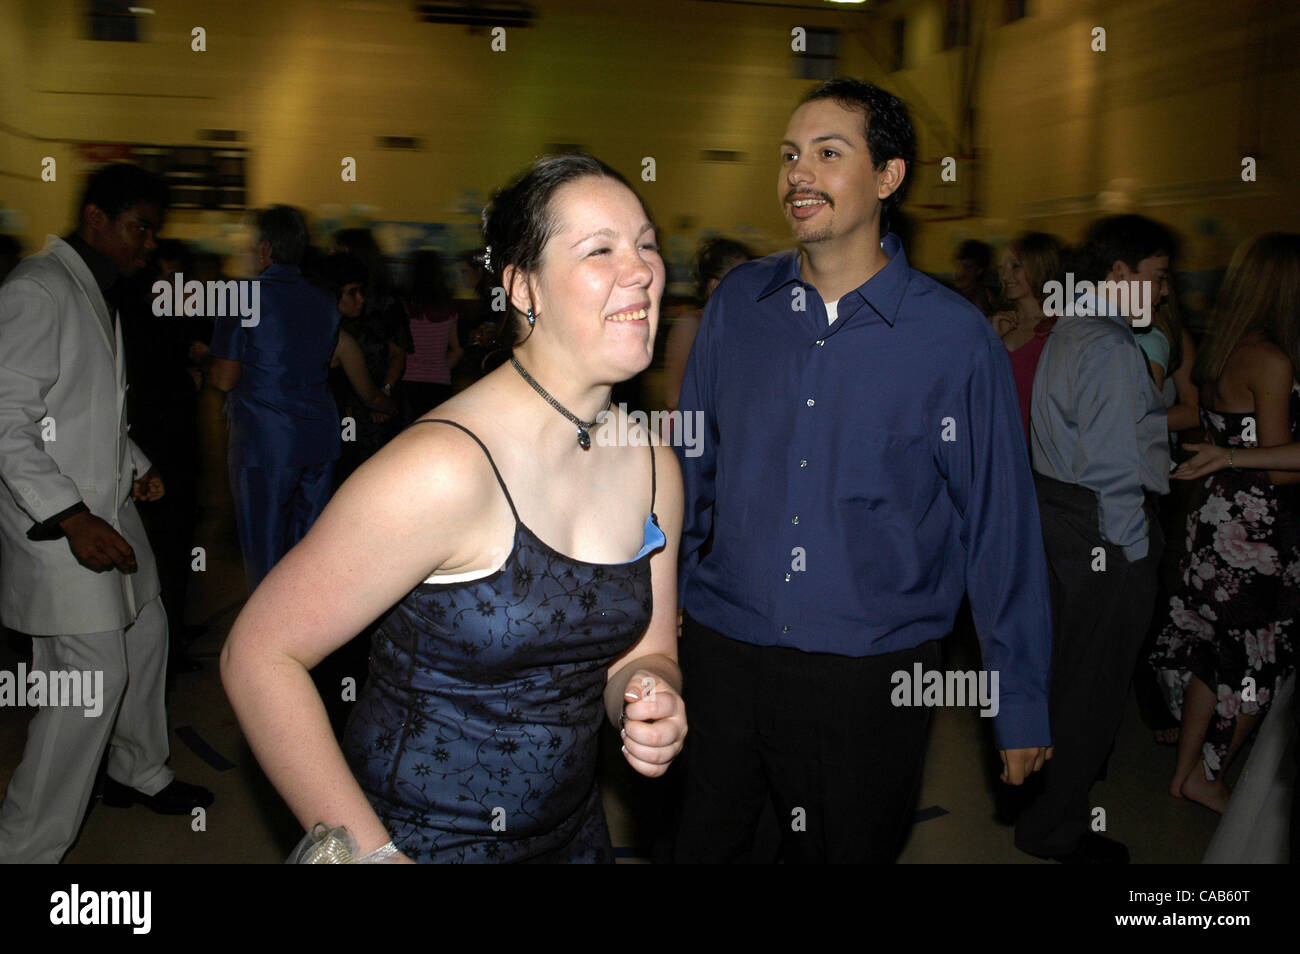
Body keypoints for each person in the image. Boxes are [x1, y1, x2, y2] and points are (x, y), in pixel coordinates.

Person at [220, 154, 688, 863]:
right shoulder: (442, 468)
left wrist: (651, 693)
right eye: (601, 250)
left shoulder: (655, 465)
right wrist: (370, 857)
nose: (643, 270)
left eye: (647, 244)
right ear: (523, 287)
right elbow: (259, 655)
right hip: (416, 842)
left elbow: (648, 648)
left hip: (572, 837)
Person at [673, 77, 1053, 864]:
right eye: (788, 155)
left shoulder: (953, 339)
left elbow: (998, 525)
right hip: (723, 652)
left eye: (827, 153)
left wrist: (1019, 700)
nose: (797, 174)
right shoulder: (741, 306)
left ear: (888, 177)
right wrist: (661, 612)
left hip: (869, 678)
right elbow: (690, 469)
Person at [0, 163, 212, 863]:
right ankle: (24, 849)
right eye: (139, 227)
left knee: (147, 630)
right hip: (60, 521)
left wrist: (137, 465)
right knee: (90, 680)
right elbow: (7, 420)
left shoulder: (91, 287)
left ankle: (138, 769)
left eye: (153, 229)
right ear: (95, 219)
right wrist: (70, 516)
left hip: (106, 502)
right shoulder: (37, 289)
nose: (149, 243)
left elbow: (84, 411)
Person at [1021, 214, 1174, 863]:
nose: (1164, 291)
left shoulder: (1072, 327)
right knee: (1093, 687)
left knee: (1071, 674)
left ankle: (1053, 799)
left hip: (1060, 514)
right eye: (1158, 277)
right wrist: (1137, 558)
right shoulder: (1110, 345)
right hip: (1102, 533)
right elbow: (1113, 471)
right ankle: (1056, 826)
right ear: (1120, 274)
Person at [1149, 232, 1300, 815]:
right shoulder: (1273, 360)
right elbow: (1283, 467)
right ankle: (1207, 772)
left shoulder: (1224, 349)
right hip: (1258, 526)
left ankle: (1188, 771)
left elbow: (1219, 434)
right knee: (1263, 656)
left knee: (1214, 653)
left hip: (1216, 517)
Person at [208, 206, 341, 593]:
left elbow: (225, 376)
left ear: (264, 248)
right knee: (310, 555)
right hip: (319, 438)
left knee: (265, 557)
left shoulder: (242, 295)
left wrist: (205, 359)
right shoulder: (325, 299)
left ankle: (267, 645)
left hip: (265, 443)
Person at [663, 238, 753, 413]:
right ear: (715, 287)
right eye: (741, 280)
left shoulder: (744, 328)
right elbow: (673, 397)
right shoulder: (691, 325)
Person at [989, 232, 1063, 442]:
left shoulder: (1059, 330)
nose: (1005, 276)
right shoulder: (996, 325)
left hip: (1042, 454)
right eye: (1001, 268)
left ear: (1041, 266)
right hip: (999, 444)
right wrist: (992, 341)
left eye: (1016, 266)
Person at [400, 249, 463, 418]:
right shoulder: (449, 309)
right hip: (440, 383)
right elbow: (457, 350)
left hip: (407, 382)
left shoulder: (403, 307)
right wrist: (438, 368)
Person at [953, 238, 997, 316]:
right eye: (957, 265)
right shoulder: (951, 294)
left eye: (967, 267)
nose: (960, 272)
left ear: (979, 271)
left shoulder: (983, 298)